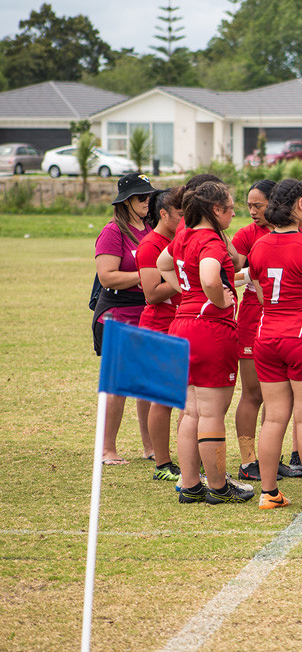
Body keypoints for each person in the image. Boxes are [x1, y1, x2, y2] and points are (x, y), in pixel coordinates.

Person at [158, 180, 252, 505]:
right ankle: (218, 485)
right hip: (210, 328)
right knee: (211, 413)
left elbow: (163, 263)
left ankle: (190, 484)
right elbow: (211, 277)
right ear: (215, 210)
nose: (234, 213)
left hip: (182, 324)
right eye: (229, 207)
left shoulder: (183, 234)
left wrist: (187, 292)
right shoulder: (210, 241)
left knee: (192, 411)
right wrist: (219, 300)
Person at [247, 179, 302, 511]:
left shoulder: (258, 246)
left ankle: (269, 492)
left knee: (273, 418)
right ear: (299, 205)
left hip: (266, 335)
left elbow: (259, 294)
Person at [233, 179, 302, 482]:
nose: (252, 211)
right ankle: (249, 460)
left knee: (280, 395)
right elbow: (228, 272)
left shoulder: (297, 233)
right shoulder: (246, 236)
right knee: (253, 393)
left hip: (286, 321)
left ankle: (269, 458)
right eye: (248, 205)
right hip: (254, 318)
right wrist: (250, 274)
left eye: (257, 205)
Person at [92, 172, 156, 465]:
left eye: (149, 196)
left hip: (145, 312)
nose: (147, 201)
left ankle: (150, 447)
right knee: (119, 386)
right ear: (126, 201)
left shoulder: (150, 227)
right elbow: (107, 276)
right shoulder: (112, 231)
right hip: (117, 315)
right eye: (141, 197)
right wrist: (144, 277)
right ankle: (107, 450)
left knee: (146, 384)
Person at [135, 186, 185, 480]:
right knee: (163, 399)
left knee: (187, 399)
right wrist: (189, 278)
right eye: (181, 213)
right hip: (159, 327)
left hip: (184, 324)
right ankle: (162, 464)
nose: (185, 219)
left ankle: (188, 457)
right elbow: (152, 293)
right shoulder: (151, 245)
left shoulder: (184, 239)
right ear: (163, 214)